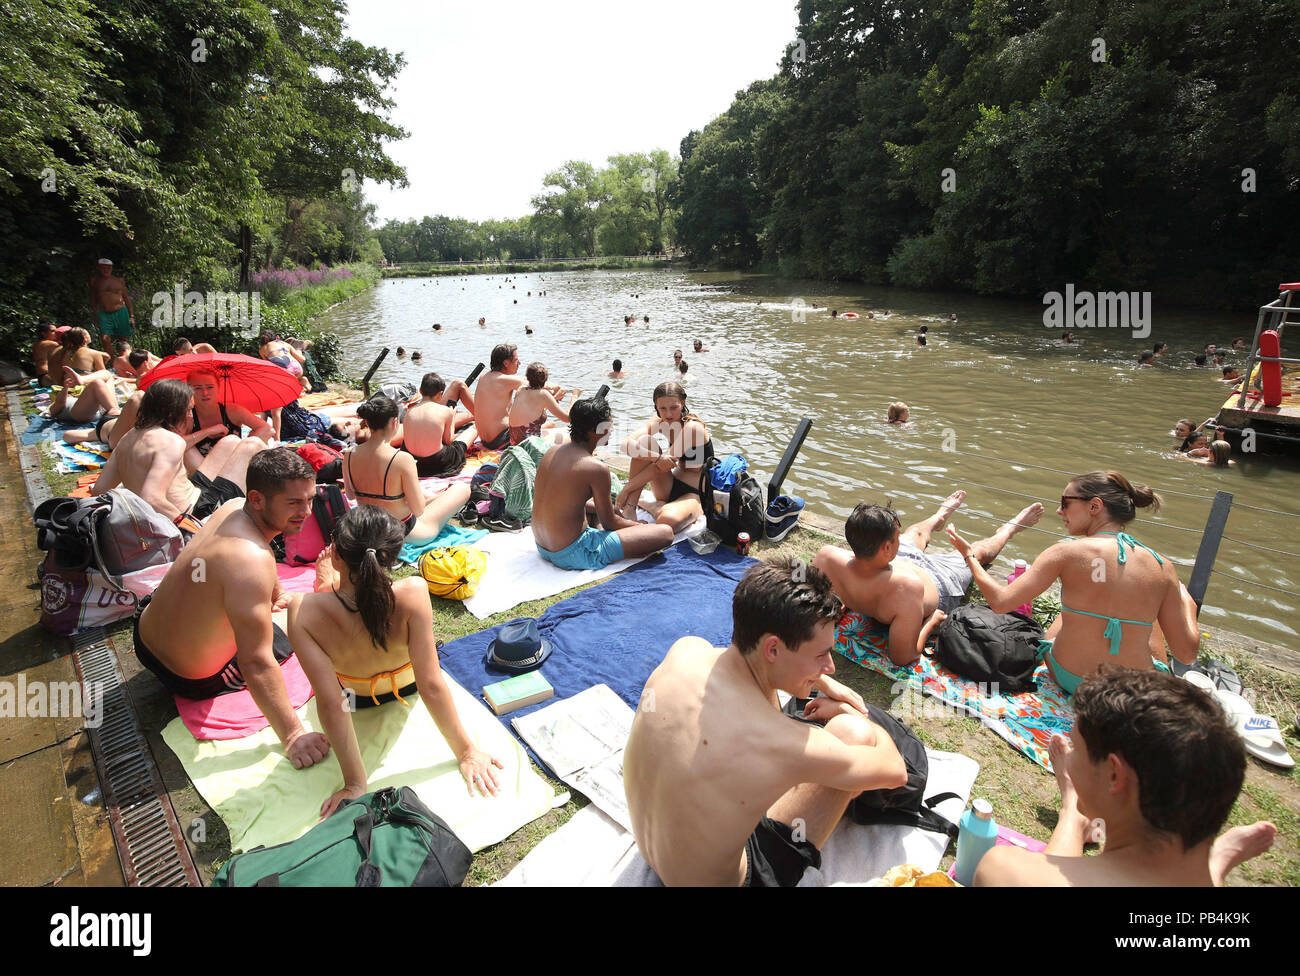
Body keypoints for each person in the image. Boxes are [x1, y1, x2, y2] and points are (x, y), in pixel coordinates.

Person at [624, 558, 908, 886]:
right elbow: (895, 772)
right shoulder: (777, 741)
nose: (830, 667)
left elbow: (745, 678)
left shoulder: (686, 651)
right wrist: (854, 714)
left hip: (656, 852)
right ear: (773, 648)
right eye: (821, 655)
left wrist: (815, 678)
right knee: (854, 735)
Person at [290, 506, 504, 816]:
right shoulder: (414, 591)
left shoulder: (302, 612)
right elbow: (430, 684)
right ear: (393, 556)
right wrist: (467, 751)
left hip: (355, 700)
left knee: (329, 601)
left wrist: (354, 784)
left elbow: (332, 702)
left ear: (336, 553)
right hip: (410, 689)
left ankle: (330, 583)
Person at [975, 668, 1273, 886]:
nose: (1071, 756)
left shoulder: (1005, 871)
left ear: (1114, 775)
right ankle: (1213, 863)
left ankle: (1072, 812)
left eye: (1076, 747)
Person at [132, 448, 331, 769]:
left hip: (143, 637)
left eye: (310, 499)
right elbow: (256, 661)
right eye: (293, 503)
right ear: (257, 499)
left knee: (277, 602)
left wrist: (276, 591)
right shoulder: (251, 560)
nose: (306, 512)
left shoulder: (232, 507)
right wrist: (293, 735)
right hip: (190, 677)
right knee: (309, 614)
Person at [945, 471, 1200, 695]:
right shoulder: (1162, 565)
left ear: (1094, 506)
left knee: (1079, 604)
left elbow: (1000, 603)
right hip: (1133, 688)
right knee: (1147, 609)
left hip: (1069, 678)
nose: (1059, 511)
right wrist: (1186, 602)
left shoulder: (1065, 552)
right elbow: (1187, 654)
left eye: (1065, 503)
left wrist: (970, 556)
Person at [813, 493, 1044, 664]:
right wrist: (931, 622)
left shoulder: (826, 557)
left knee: (913, 534)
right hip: (940, 580)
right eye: (894, 538)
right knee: (977, 552)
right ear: (885, 547)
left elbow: (819, 607)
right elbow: (903, 657)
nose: (897, 539)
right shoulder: (905, 588)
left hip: (895, 562)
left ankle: (938, 516)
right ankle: (1009, 529)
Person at [92, 378, 267, 525]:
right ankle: (265, 515)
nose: (191, 415)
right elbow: (151, 497)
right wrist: (193, 528)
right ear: (174, 411)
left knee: (231, 441)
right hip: (197, 513)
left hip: (194, 494)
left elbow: (100, 489)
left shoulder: (128, 437)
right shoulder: (170, 441)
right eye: (190, 409)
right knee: (253, 445)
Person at [532, 396, 673, 570]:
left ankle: (603, 532)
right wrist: (639, 526)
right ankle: (609, 538)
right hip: (574, 552)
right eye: (609, 425)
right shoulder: (596, 468)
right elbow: (610, 523)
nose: (612, 430)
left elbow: (561, 501)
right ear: (594, 431)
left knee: (603, 509)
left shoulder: (552, 451)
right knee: (665, 533)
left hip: (543, 546)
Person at [342, 395, 470, 542]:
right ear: (394, 422)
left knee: (419, 494)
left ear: (367, 422)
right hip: (404, 532)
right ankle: (438, 497)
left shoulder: (349, 454)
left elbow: (351, 495)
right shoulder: (402, 459)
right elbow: (418, 509)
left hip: (370, 527)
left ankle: (435, 497)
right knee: (462, 488)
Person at [616, 381, 712, 532]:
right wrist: (656, 457)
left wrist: (627, 488)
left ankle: (653, 506)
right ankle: (630, 509)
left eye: (674, 407)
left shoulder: (693, 428)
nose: (668, 414)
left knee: (667, 521)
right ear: (656, 407)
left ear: (683, 403)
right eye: (662, 408)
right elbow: (625, 445)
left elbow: (662, 466)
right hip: (669, 486)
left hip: (696, 493)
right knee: (645, 442)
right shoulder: (659, 423)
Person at [393, 373, 477, 477]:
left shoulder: (409, 411)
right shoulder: (445, 411)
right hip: (435, 462)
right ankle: (478, 426)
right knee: (472, 430)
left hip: (413, 459)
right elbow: (448, 441)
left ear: (420, 390)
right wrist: (452, 415)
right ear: (440, 394)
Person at [471, 343, 530, 450]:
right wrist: (558, 388)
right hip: (501, 440)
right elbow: (536, 386)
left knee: (548, 425)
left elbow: (524, 379)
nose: (519, 363)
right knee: (550, 425)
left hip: (486, 440)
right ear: (506, 363)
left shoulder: (484, 376)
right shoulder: (504, 380)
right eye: (516, 360)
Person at [507, 362, 574, 445]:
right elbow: (567, 418)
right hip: (530, 446)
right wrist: (575, 396)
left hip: (515, 441)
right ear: (545, 379)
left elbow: (534, 408)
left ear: (527, 377)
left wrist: (554, 395)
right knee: (570, 435)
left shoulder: (521, 389)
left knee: (552, 424)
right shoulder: (544, 395)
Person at [89, 258, 134, 354]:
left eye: (108, 268)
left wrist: (131, 316)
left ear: (112, 268)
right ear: (99, 268)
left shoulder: (119, 281)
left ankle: (125, 359)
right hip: (104, 313)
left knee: (123, 338)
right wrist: (95, 314)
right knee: (105, 339)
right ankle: (113, 363)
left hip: (121, 311)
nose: (106, 270)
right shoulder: (95, 281)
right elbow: (93, 299)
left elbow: (126, 298)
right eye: (103, 268)